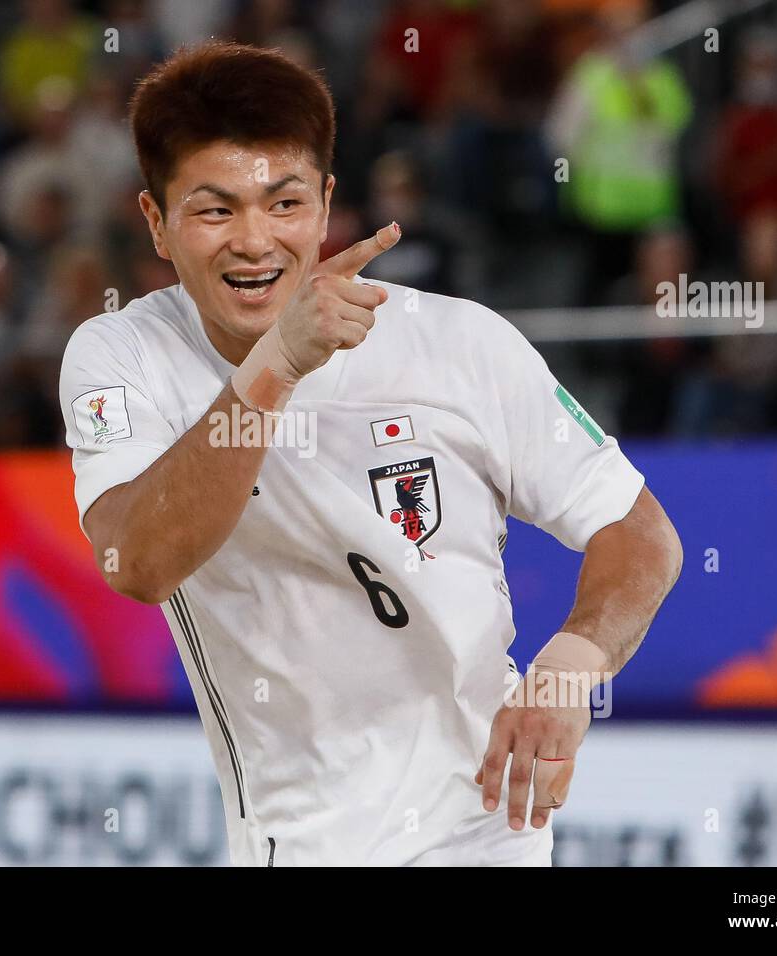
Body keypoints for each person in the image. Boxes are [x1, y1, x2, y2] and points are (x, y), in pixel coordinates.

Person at [59, 41, 683, 866]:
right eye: (215, 211)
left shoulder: (458, 341)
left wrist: (569, 667)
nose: (255, 240)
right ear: (156, 223)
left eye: (283, 204)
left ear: (325, 204)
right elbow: (134, 560)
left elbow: (640, 535)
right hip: (305, 840)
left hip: (489, 825)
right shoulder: (122, 357)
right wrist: (274, 365)